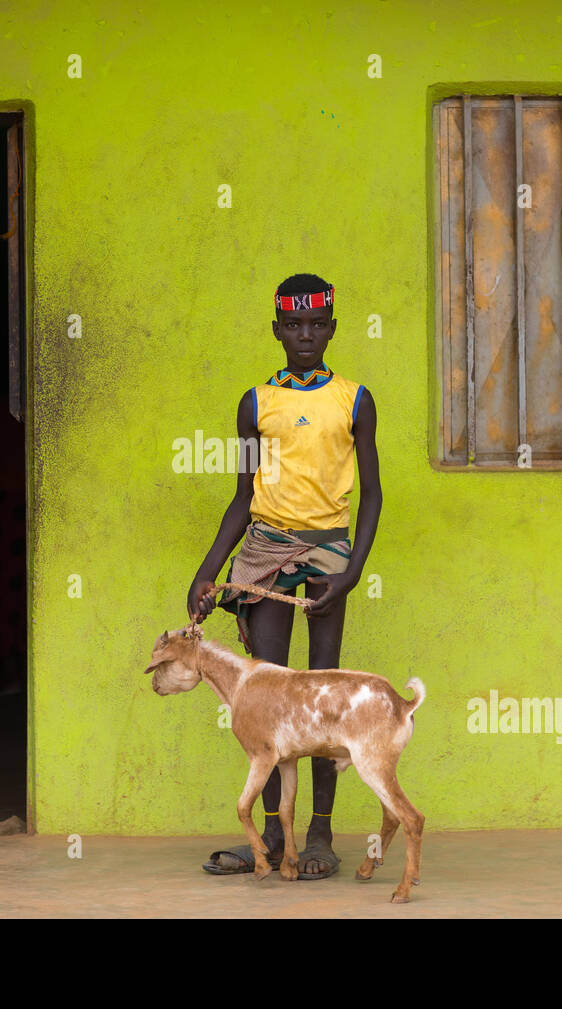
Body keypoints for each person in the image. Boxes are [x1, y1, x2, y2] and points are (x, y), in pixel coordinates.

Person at [186, 273, 382, 879]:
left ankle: (321, 837)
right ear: (277, 330)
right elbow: (243, 496)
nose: (306, 336)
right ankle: (273, 837)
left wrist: (349, 575)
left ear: (331, 328)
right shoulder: (256, 404)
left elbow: (372, 496)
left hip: (329, 553)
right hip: (267, 547)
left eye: (317, 325)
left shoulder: (354, 399)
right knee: (268, 701)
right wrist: (208, 571)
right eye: (294, 326)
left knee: (323, 701)